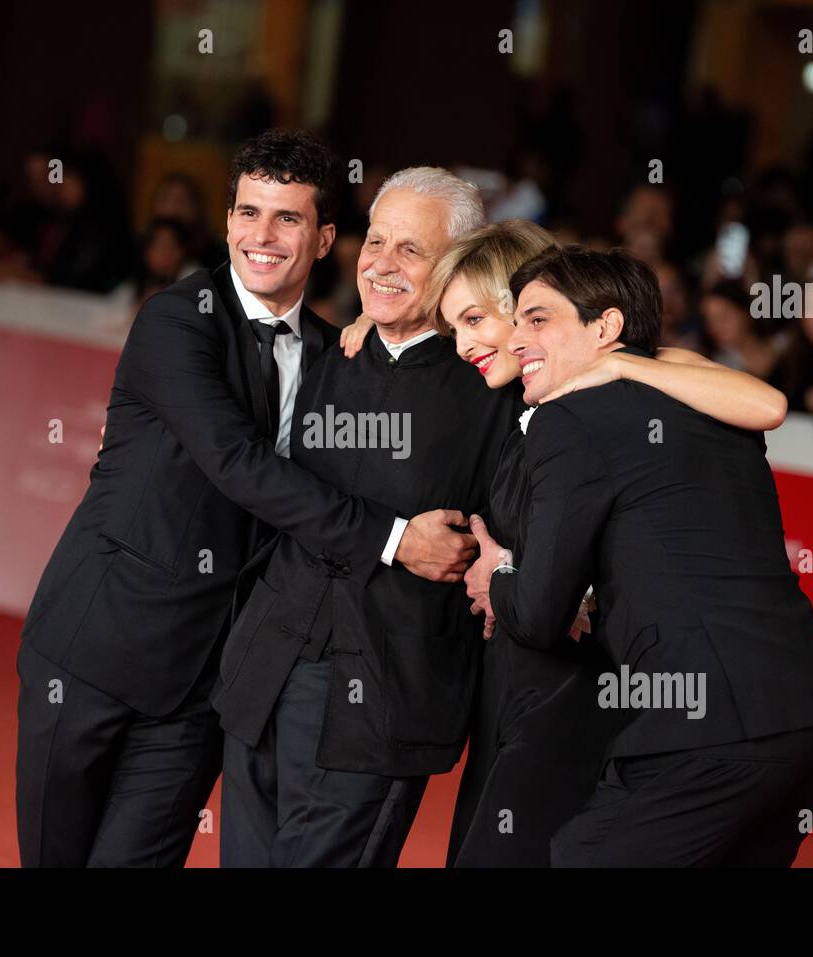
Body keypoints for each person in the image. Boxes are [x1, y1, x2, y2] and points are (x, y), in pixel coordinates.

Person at [15, 132, 469, 867]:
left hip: (207, 685)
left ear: (324, 238)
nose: (262, 236)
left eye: (287, 218)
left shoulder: (334, 353)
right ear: (226, 221)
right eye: (248, 212)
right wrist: (393, 538)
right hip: (92, 655)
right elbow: (238, 462)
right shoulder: (176, 320)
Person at [343, 224, 787, 867]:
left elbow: (765, 404)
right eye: (453, 327)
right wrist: (368, 320)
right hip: (513, 681)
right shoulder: (509, 395)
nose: (467, 342)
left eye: (478, 319)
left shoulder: (627, 386)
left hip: (574, 692)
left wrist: (520, 578)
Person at [465, 244, 813, 867]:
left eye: (537, 319)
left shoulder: (567, 419)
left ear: (606, 326)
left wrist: (498, 575)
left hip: (707, 735)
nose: (517, 339)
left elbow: (540, 614)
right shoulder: (701, 398)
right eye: (515, 320)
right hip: (811, 727)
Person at [213, 167, 505, 867]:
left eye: (412, 249)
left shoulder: (496, 387)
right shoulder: (321, 355)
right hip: (268, 671)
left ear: (458, 266)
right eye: (377, 241)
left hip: (385, 697)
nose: (382, 263)